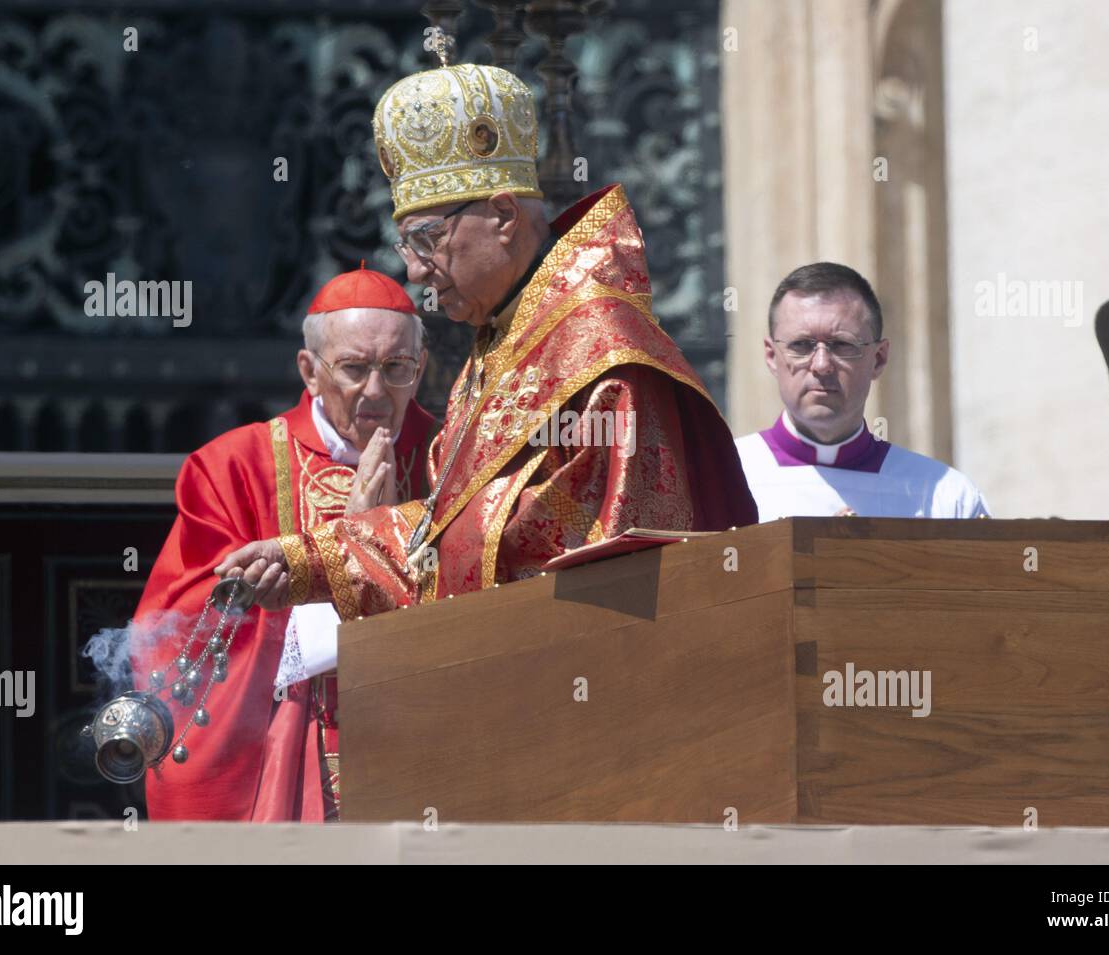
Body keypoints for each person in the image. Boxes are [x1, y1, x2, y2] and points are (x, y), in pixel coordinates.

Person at [214, 57, 755, 666]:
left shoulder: (604, 356)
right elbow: (457, 531)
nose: (415, 270)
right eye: (406, 245)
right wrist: (318, 558)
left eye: (428, 239)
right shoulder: (499, 342)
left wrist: (345, 553)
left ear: (501, 217)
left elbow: (578, 565)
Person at [130, 266, 437, 821]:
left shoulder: (450, 459)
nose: (375, 391)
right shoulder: (231, 466)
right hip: (291, 763)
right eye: (354, 368)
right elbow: (176, 636)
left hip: (426, 748)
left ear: (421, 370)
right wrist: (310, 584)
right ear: (310, 371)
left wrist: (373, 544)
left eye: (397, 368)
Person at [735, 262, 989, 519]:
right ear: (771, 356)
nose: (821, 365)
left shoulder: (945, 496)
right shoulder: (722, 479)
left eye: (842, 345)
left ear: (878, 359)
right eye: (801, 345)